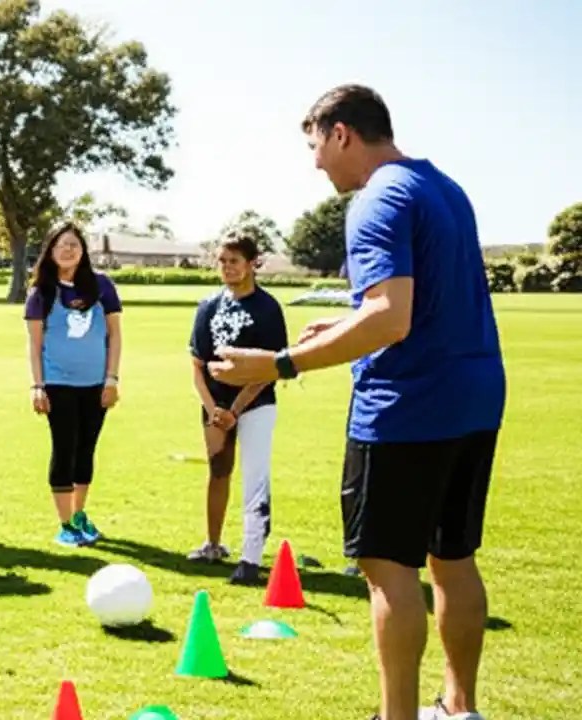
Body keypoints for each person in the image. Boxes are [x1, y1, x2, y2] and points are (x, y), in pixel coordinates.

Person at [208, 84, 504, 720]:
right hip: (474, 398)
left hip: (407, 406)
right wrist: (338, 326)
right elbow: (414, 303)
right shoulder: (444, 188)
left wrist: (280, 363)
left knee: (387, 565)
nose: (315, 162)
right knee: (453, 557)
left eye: (315, 144)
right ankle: (461, 708)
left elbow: (390, 318)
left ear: (341, 132)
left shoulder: (377, 198)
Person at [186, 232, 288, 586]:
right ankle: (213, 544)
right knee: (218, 471)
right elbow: (198, 365)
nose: (228, 268)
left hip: (256, 404)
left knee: (254, 476)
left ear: (251, 264)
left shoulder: (267, 308)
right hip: (215, 407)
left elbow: (272, 366)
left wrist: (236, 408)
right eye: (223, 261)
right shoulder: (208, 306)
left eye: (234, 261)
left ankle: (251, 558)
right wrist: (215, 409)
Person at [23, 221, 122, 548]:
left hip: (96, 384)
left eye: (74, 244)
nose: (68, 250)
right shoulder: (41, 293)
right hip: (58, 384)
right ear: (50, 251)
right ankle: (65, 524)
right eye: (61, 245)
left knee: (86, 449)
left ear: (83, 251)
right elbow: (34, 345)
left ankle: (79, 515)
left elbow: (114, 335)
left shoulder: (102, 286)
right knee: (64, 447)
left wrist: (112, 378)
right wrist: (37, 385)